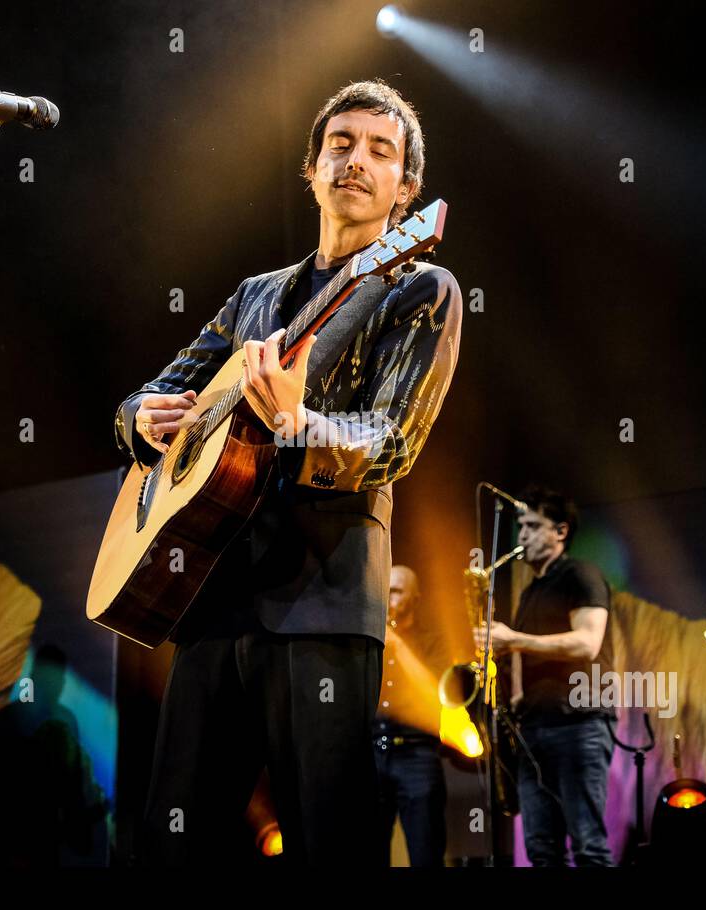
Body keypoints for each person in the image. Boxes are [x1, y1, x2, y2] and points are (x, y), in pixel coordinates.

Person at [117, 80, 462, 865]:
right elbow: (159, 390)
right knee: (170, 842)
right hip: (212, 596)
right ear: (311, 169)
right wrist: (138, 417)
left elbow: (391, 442)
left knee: (329, 841)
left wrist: (297, 426)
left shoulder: (417, 286)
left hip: (325, 600)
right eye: (340, 144)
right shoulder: (255, 297)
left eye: (382, 151)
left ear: (406, 192)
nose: (356, 161)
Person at [474, 487, 614, 866]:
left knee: (588, 846)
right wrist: (516, 698)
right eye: (520, 525)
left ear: (561, 531)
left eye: (534, 526)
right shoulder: (531, 590)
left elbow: (587, 643)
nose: (522, 535)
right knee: (540, 850)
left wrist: (513, 638)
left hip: (578, 725)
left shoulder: (580, 575)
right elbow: (524, 652)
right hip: (534, 731)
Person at [374, 565, 448, 866]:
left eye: (396, 591)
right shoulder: (374, 642)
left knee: (425, 852)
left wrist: (398, 646)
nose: (387, 597)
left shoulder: (434, 641)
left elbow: (436, 693)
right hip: (373, 752)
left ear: (415, 599)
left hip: (417, 754)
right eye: (385, 590)